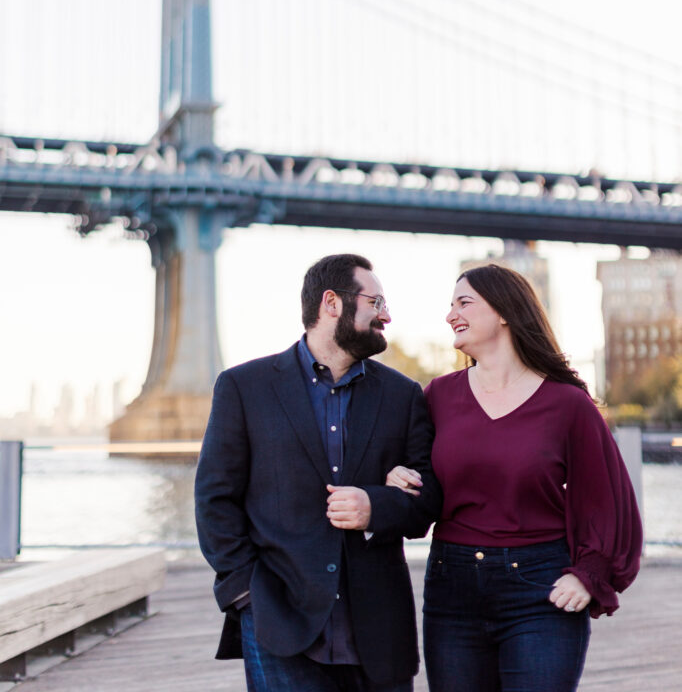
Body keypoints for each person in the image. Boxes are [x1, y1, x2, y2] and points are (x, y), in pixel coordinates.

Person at [387, 263, 642, 692]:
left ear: (504, 311)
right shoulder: (437, 396)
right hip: (452, 591)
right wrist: (397, 474)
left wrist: (588, 572)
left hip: (541, 591)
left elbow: (607, 499)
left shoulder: (568, 404)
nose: (450, 315)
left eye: (464, 303)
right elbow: (419, 479)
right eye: (450, 305)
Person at [195, 252, 442, 692]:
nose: (386, 316)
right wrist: (245, 593)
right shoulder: (243, 387)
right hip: (278, 624)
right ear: (332, 303)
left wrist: (376, 506)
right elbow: (215, 499)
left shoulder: (403, 395)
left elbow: (427, 500)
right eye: (376, 302)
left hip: (378, 631)